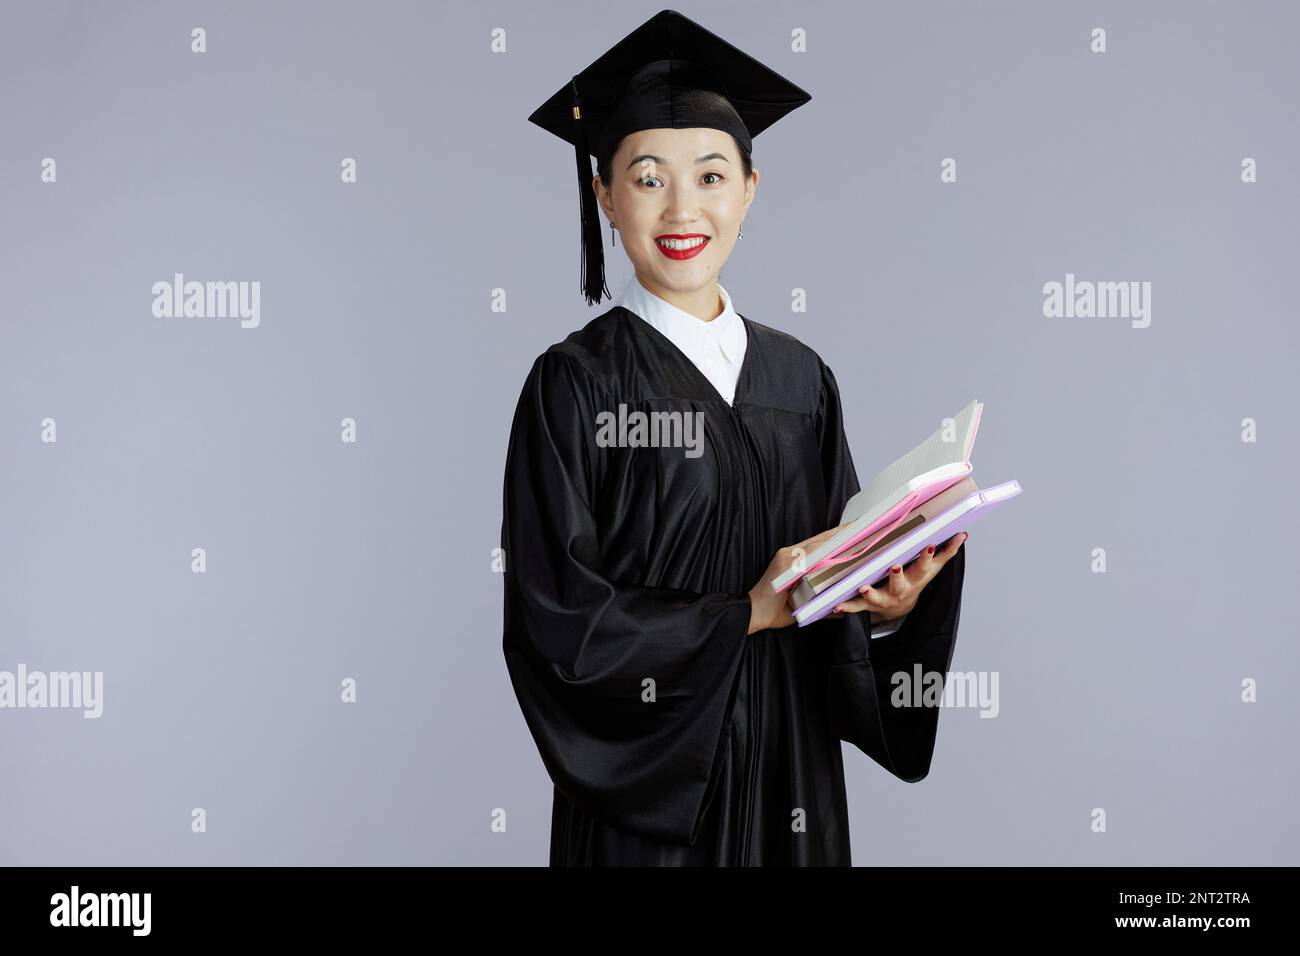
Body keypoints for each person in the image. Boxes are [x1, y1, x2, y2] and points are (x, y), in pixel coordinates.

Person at [501, 9, 968, 866]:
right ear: (603, 194)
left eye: (712, 176)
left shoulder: (800, 380)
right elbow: (555, 625)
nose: (684, 208)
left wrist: (891, 607)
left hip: (793, 778)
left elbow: (837, 571)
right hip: (652, 810)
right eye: (647, 179)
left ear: (750, 188)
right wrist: (743, 615)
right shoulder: (575, 384)